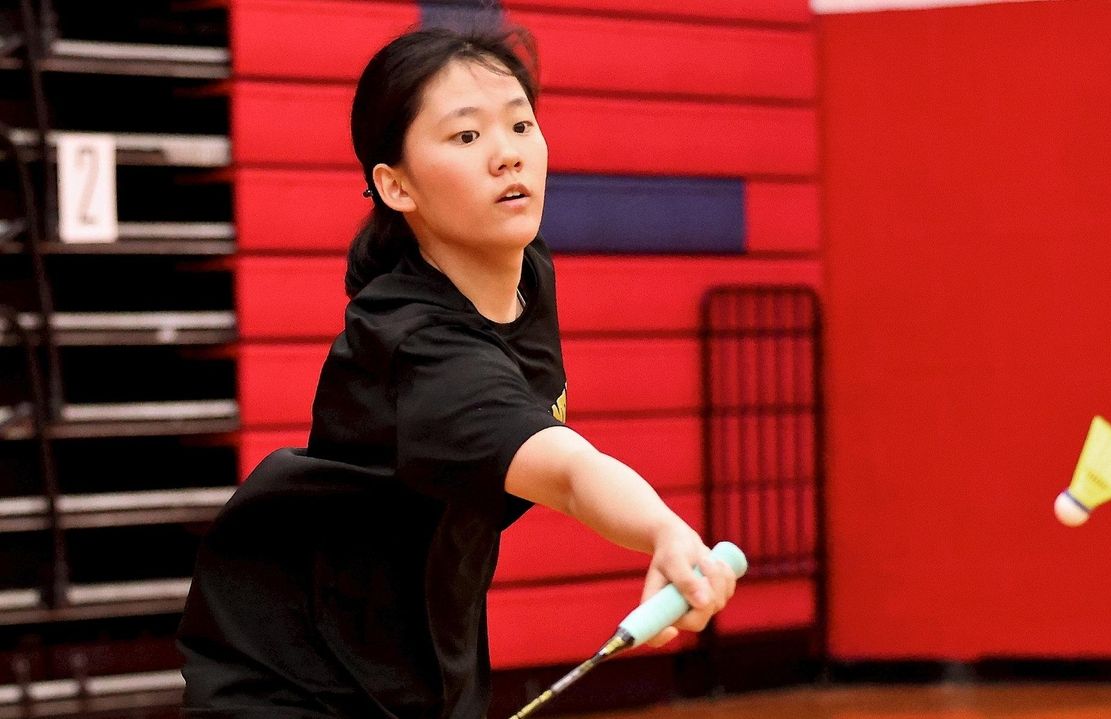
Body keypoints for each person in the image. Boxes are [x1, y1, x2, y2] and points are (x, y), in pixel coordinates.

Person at [177, 25, 736, 719]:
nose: (508, 155)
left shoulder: (525, 271)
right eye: (466, 137)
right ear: (395, 185)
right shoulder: (417, 346)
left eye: (521, 124)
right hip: (297, 678)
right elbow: (563, 467)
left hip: (421, 654)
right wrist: (663, 529)